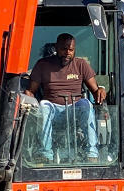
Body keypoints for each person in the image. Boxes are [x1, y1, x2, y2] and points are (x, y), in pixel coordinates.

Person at [26, 33, 106, 161]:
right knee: (43, 105)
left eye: (71, 50)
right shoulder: (43, 64)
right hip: (52, 108)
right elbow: (31, 91)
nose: (67, 53)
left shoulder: (81, 64)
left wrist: (100, 90)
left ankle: (91, 154)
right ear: (56, 48)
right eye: (64, 49)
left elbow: (95, 90)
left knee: (86, 104)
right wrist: (27, 97)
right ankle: (46, 154)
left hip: (74, 109)